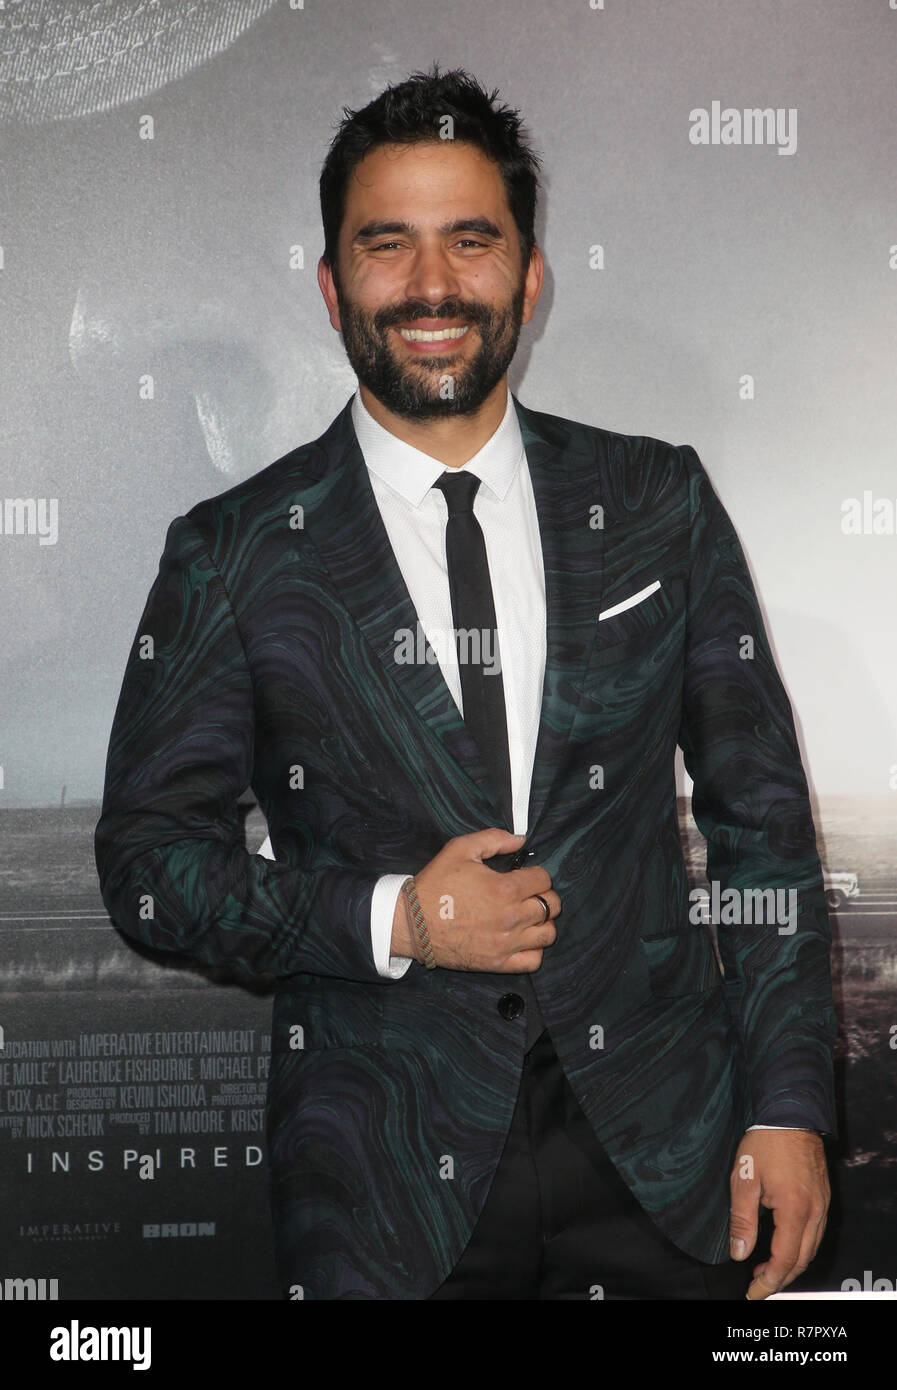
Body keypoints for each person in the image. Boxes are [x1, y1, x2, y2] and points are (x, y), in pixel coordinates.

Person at [94, 64, 836, 1301]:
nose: (432, 286)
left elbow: (762, 833)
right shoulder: (231, 552)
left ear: (530, 276)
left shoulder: (659, 501)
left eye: (470, 241)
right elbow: (149, 865)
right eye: (388, 246)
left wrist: (793, 1102)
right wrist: (398, 918)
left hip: (675, 1162)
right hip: (385, 1183)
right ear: (332, 288)